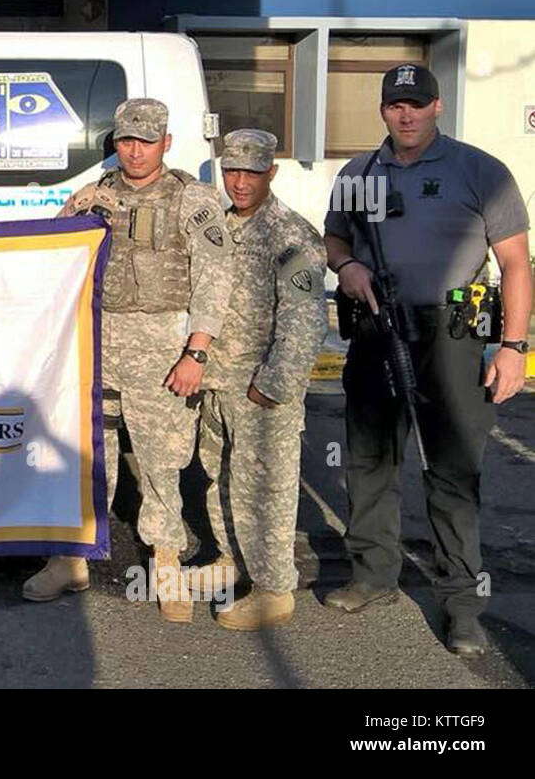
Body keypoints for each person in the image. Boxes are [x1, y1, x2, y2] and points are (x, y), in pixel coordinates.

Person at [321, 64, 532, 657]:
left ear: (437, 106)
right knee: (368, 461)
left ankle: (462, 603)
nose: (405, 114)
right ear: (383, 110)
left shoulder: (480, 171)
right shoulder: (357, 173)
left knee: (453, 471)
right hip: (375, 330)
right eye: (395, 105)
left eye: (417, 103)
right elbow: (335, 238)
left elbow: (516, 264)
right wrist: (347, 266)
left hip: (451, 336)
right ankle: (372, 576)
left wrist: (514, 349)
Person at [22, 98, 233, 622]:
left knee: (161, 458)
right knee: (87, 451)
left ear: (166, 142)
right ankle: (71, 558)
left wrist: (196, 352)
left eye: (145, 140)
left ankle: (165, 562)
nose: (134, 150)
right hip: (95, 341)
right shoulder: (95, 196)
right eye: (125, 140)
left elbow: (215, 280)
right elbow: (53, 257)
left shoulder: (195, 201)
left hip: (163, 343)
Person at [194, 129, 327, 630]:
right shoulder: (219, 228)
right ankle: (232, 561)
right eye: (232, 171)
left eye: (252, 172)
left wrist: (272, 385)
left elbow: (306, 320)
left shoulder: (292, 236)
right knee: (220, 478)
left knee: (265, 489)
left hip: (260, 388)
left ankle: (274, 589)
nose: (240, 182)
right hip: (217, 384)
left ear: (271, 172)